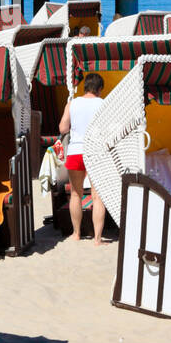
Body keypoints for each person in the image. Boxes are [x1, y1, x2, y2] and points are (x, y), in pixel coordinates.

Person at [59, 72, 108, 244]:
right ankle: (97, 239)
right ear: (100, 89)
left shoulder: (72, 103)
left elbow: (63, 128)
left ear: (85, 87)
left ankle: (77, 234)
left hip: (76, 151)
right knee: (98, 196)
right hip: (96, 152)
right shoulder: (103, 104)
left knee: (75, 194)